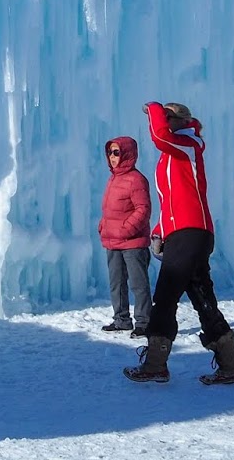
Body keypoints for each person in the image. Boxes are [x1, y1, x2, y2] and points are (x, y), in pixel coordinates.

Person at [123, 101, 234, 385]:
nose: (161, 122)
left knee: (165, 297)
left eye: (167, 117)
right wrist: (160, 231)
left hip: (191, 232)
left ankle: (155, 365)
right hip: (184, 232)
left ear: (181, 120)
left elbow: (160, 136)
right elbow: (171, 202)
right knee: (202, 297)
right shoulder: (174, 153)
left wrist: (153, 107)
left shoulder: (189, 144)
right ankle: (230, 366)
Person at [97, 135, 152, 336]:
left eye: (116, 152)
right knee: (117, 283)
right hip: (112, 240)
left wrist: (126, 229)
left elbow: (143, 209)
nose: (112, 157)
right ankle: (121, 320)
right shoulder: (113, 178)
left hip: (132, 242)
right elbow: (111, 209)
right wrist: (103, 225)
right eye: (110, 152)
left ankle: (144, 323)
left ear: (127, 154)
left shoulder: (137, 179)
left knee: (138, 284)